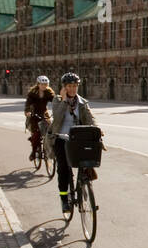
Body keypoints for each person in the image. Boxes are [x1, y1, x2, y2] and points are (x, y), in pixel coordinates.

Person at [48, 72, 97, 213]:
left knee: (87, 162)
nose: (73, 89)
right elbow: (57, 119)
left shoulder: (82, 102)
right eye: (69, 86)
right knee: (63, 169)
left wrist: (97, 129)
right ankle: (64, 200)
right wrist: (64, 101)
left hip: (78, 139)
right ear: (64, 87)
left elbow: (90, 118)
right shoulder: (57, 100)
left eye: (75, 86)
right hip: (61, 138)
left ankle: (83, 184)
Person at [25, 75, 57, 162]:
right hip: (34, 115)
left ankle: (49, 150)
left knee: (50, 132)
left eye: (45, 84)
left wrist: (61, 102)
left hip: (44, 114)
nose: (44, 86)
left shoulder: (48, 92)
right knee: (36, 135)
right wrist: (28, 112)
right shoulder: (32, 93)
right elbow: (28, 104)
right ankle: (34, 152)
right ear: (38, 84)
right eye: (42, 84)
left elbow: (55, 100)